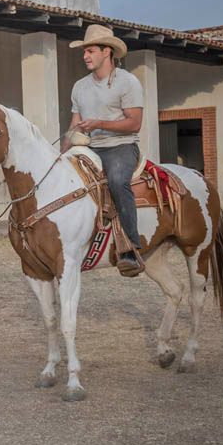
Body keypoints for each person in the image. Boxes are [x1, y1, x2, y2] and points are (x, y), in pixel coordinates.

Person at [64, 24, 145, 277]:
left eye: (90, 51)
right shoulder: (79, 86)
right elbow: (74, 125)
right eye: (84, 51)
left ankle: (131, 248)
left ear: (107, 52)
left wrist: (99, 123)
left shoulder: (128, 82)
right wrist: (62, 153)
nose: (85, 56)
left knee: (118, 181)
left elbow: (135, 122)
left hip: (120, 147)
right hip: (88, 148)